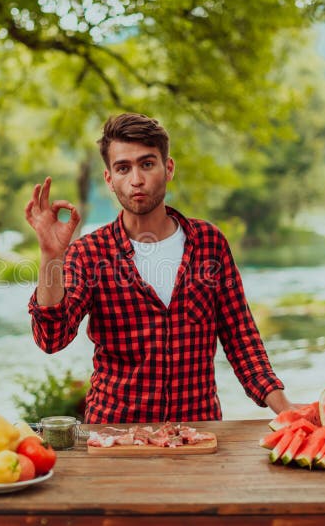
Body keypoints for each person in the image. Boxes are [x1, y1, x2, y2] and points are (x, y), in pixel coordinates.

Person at [25, 112, 296, 424]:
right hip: (114, 435)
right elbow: (51, 338)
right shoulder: (89, 252)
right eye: (123, 168)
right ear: (109, 179)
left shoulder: (209, 243)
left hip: (197, 433)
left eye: (147, 164)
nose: (136, 179)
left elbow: (242, 340)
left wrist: (288, 411)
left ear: (168, 169)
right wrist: (50, 256)